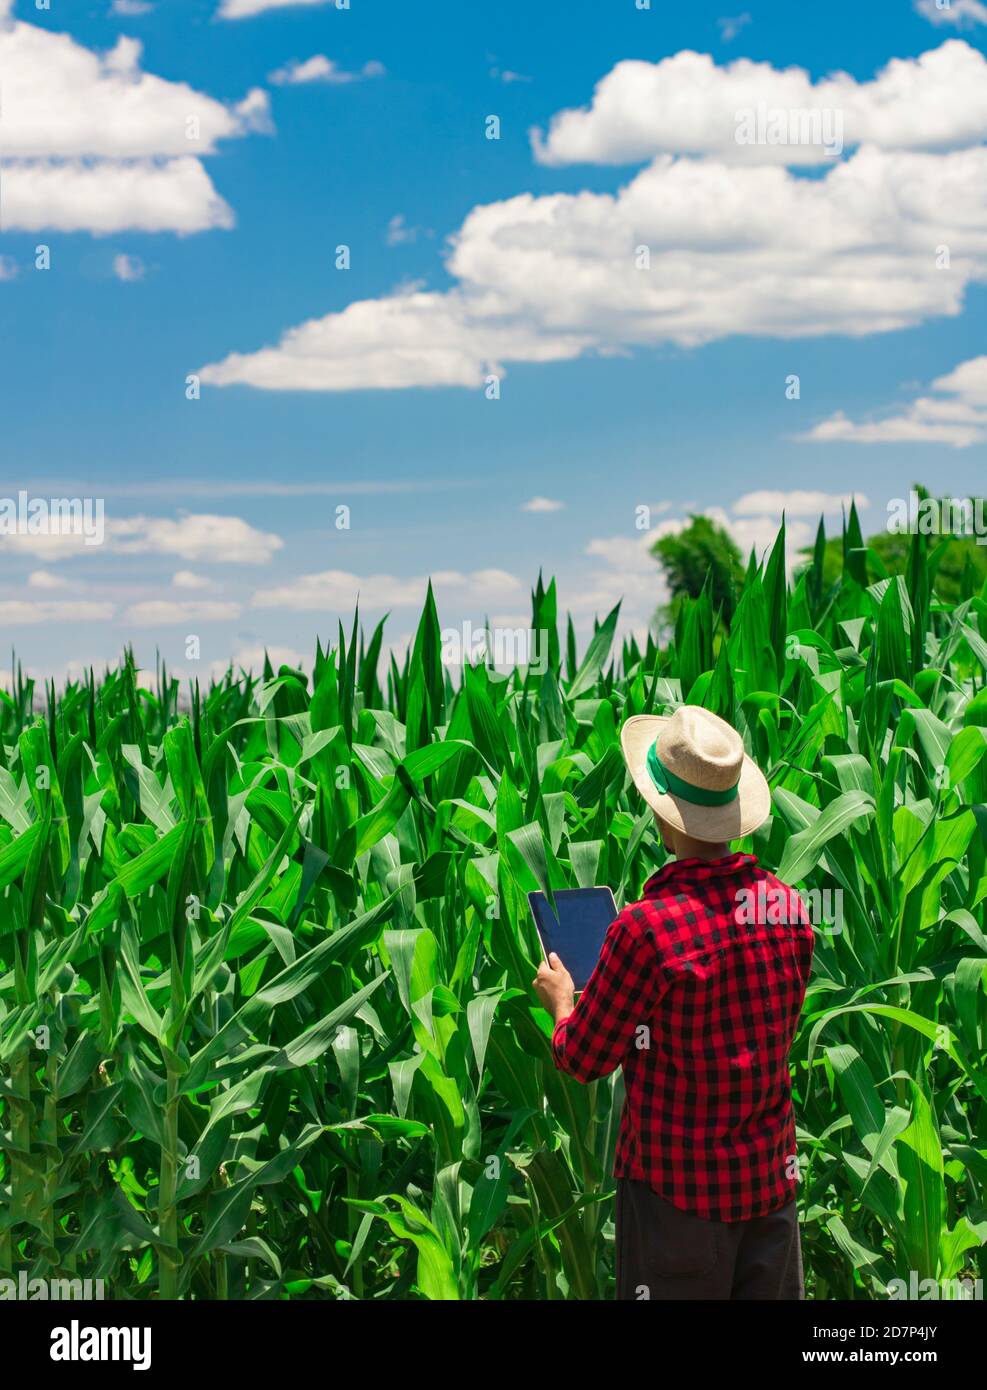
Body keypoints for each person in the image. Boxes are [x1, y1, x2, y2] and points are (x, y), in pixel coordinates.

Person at [533, 705, 814, 1300]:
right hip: (770, 1194)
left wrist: (563, 1002)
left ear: (663, 814)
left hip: (678, 1208)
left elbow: (583, 1058)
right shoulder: (787, 908)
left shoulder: (644, 932)